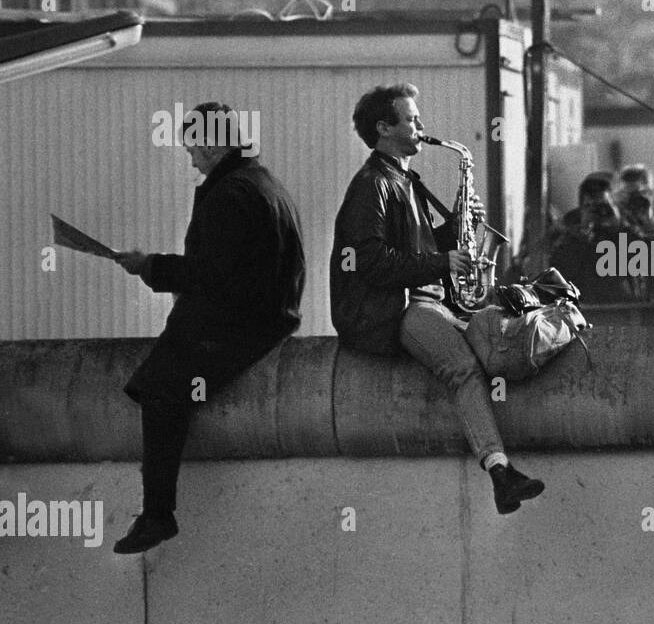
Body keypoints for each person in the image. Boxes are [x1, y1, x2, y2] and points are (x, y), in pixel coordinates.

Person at [331, 83, 543, 514]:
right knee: (464, 369)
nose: (421, 127)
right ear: (384, 128)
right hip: (395, 308)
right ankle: (500, 471)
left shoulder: (401, 179)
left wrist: (460, 226)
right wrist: (442, 262)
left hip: (423, 298)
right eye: (411, 119)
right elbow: (369, 262)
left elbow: (417, 249)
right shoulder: (372, 184)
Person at [112, 102, 305, 553]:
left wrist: (150, 267)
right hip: (269, 315)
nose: (191, 160)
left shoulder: (230, 195)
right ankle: (155, 515)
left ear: (216, 145)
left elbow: (210, 275)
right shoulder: (259, 183)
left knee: (159, 388)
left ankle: (157, 513)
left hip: (245, 323)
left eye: (194, 149)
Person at [548, 171, 628, 303]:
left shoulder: (625, 226)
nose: (599, 212)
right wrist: (582, 235)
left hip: (620, 303)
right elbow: (560, 271)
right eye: (591, 207)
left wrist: (618, 227)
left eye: (604, 206)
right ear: (581, 208)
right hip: (584, 304)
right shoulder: (568, 228)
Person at [614, 164, 654, 302]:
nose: (634, 201)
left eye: (640, 194)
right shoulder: (615, 221)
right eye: (629, 195)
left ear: (651, 194)